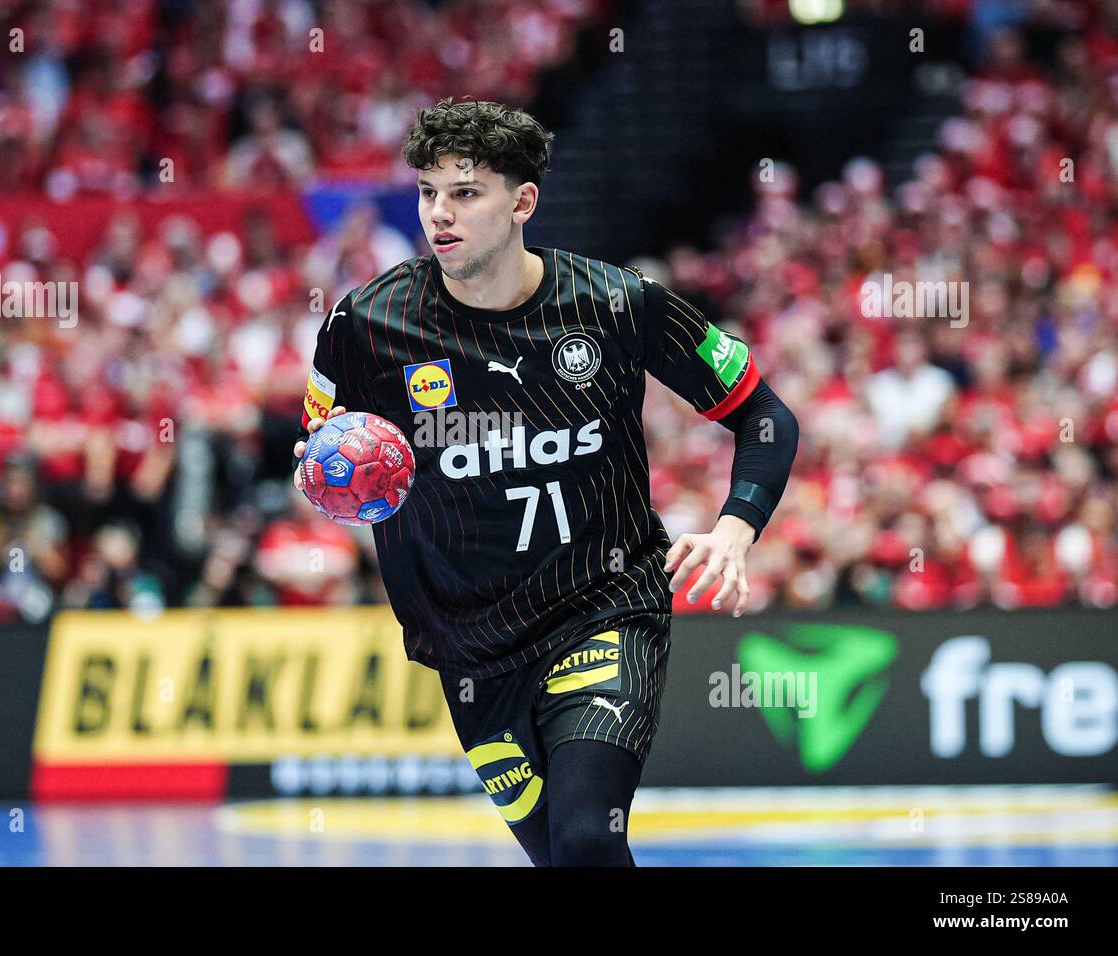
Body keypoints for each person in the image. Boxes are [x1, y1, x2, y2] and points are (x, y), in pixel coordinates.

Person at [292, 98, 799, 866]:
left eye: (466, 192)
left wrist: (736, 527)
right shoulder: (365, 326)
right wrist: (327, 478)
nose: (440, 213)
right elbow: (319, 456)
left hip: (604, 604)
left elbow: (764, 415)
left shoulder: (614, 304)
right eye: (429, 192)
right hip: (468, 647)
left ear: (523, 201)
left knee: (589, 839)